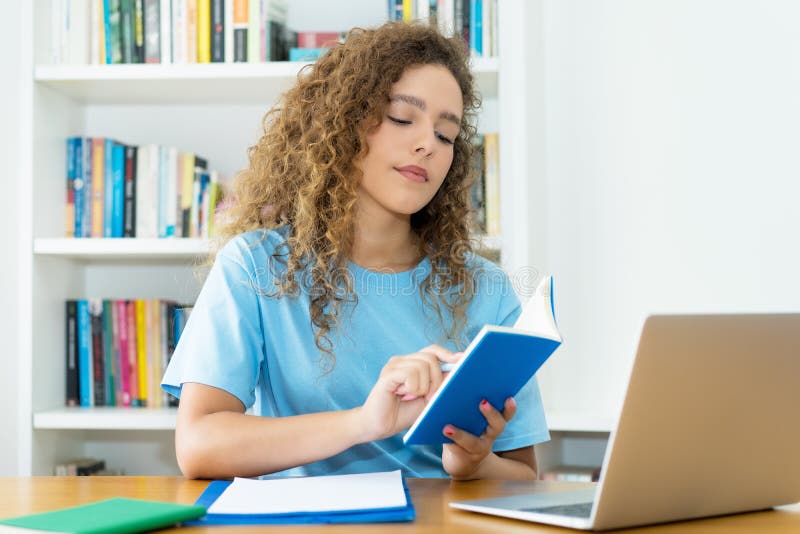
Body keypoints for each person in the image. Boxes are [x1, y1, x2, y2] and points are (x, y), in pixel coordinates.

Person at [161, 21, 549, 481]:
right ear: (345, 122)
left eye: (446, 135)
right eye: (404, 118)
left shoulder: (485, 288)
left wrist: (472, 462)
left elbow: (525, 475)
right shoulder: (255, 266)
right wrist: (364, 423)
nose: (427, 144)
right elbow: (199, 445)